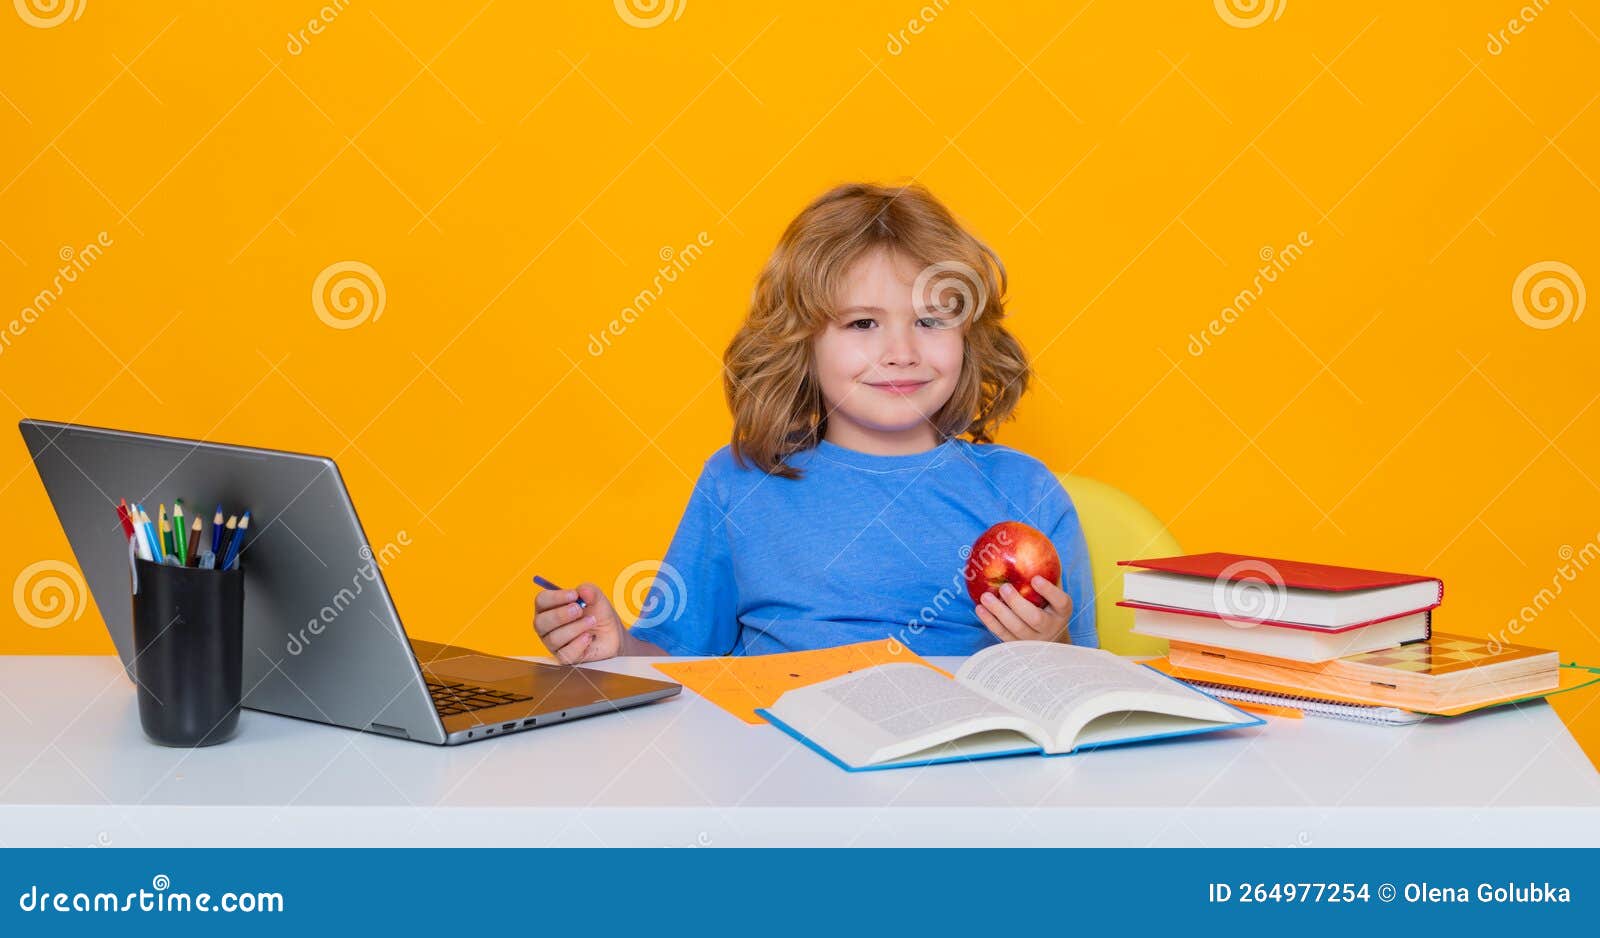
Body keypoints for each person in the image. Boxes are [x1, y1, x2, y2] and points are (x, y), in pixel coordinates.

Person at [534, 182, 1096, 661]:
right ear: (801, 343)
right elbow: (676, 663)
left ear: (968, 338)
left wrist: (1051, 643)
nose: (901, 353)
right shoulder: (740, 483)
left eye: (929, 321)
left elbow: (1090, 684)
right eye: (862, 324)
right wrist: (616, 649)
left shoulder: (1026, 492)